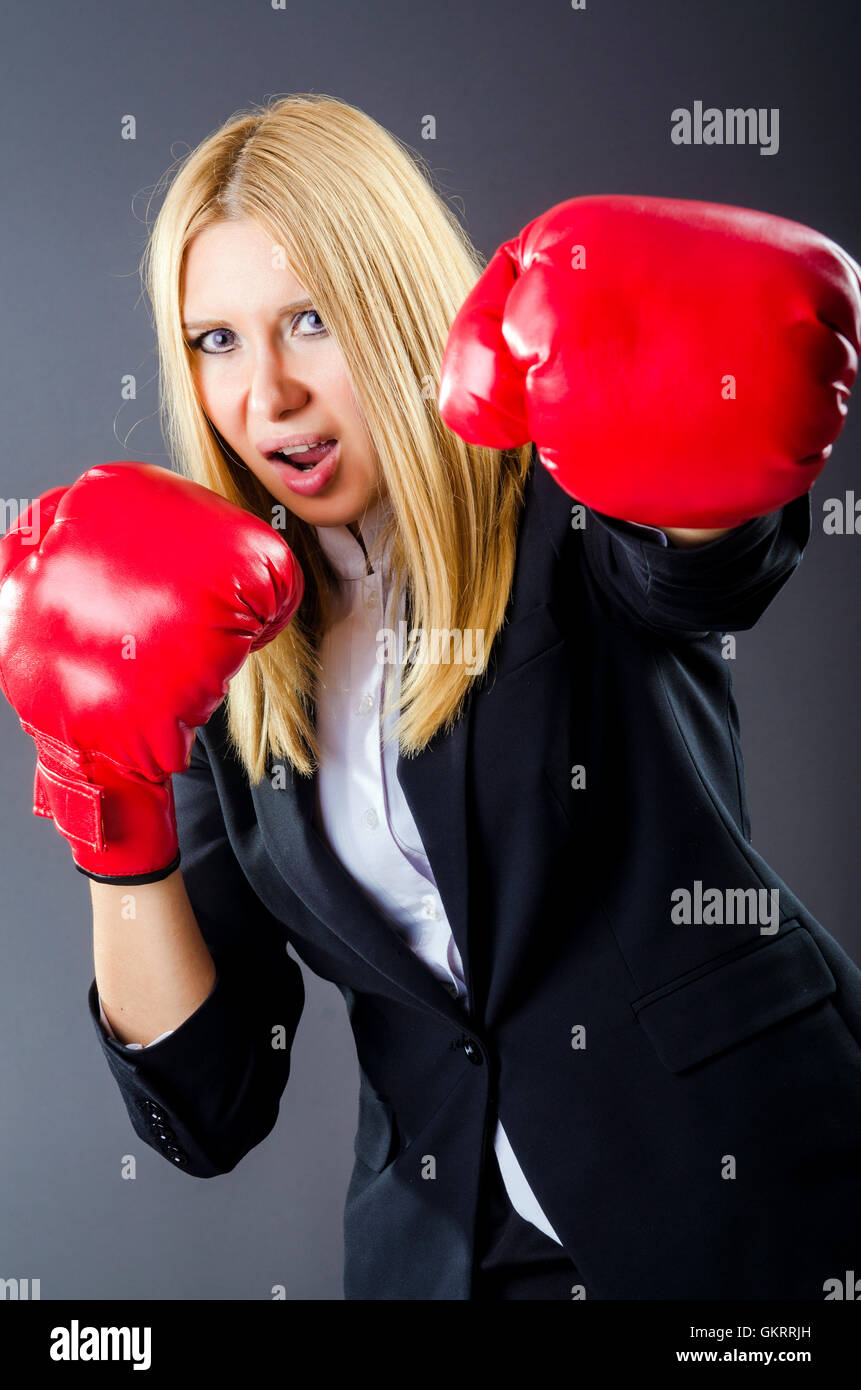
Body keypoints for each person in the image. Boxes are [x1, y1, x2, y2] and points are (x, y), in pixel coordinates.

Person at [2, 92, 861, 1301]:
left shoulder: (566, 503)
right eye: (218, 341)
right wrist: (104, 794)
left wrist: (714, 390)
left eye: (311, 319)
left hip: (746, 1197)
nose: (271, 396)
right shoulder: (217, 635)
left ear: (399, 303)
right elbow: (210, 1102)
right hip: (447, 1255)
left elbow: (701, 565)